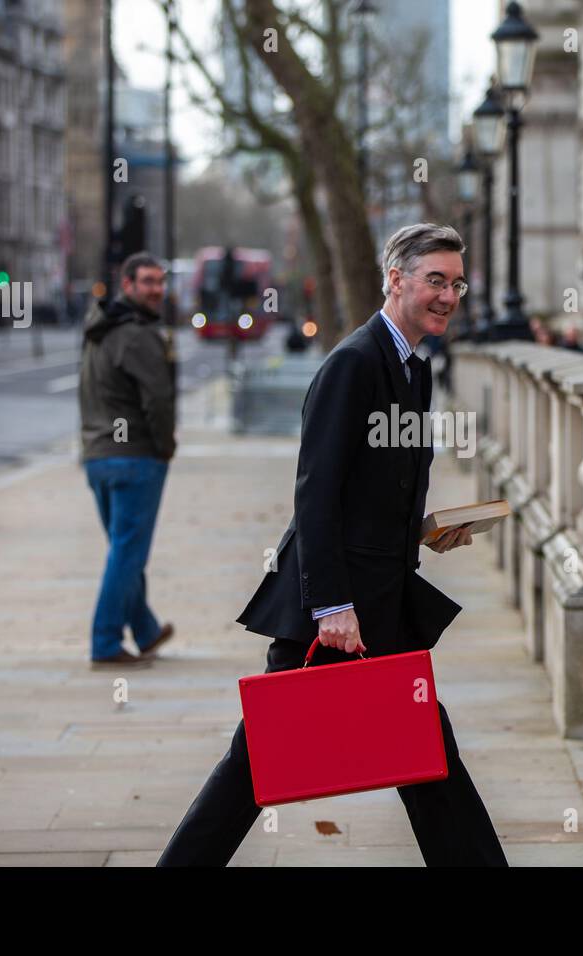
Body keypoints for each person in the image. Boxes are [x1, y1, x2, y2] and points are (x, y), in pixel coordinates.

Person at [158, 223, 507, 867]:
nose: (449, 295)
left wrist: (429, 530)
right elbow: (315, 495)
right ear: (395, 278)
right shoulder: (352, 363)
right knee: (257, 766)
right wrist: (331, 606)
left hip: (383, 600)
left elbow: (375, 490)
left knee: (432, 761)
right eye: (435, 279)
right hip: (340, 609)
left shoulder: (414, 370)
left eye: (456, 283)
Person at [78, 253, 177, 668]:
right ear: (127, 284)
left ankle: (146, 628)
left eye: (160, 281)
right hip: (135, 457)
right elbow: (158, 399)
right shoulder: (138, 335)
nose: (157, 289)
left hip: (97, 456)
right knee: (127, 553)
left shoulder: (97, 328)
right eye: (147, 282)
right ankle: (104, 642)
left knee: (123, 550)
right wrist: (164, 445)